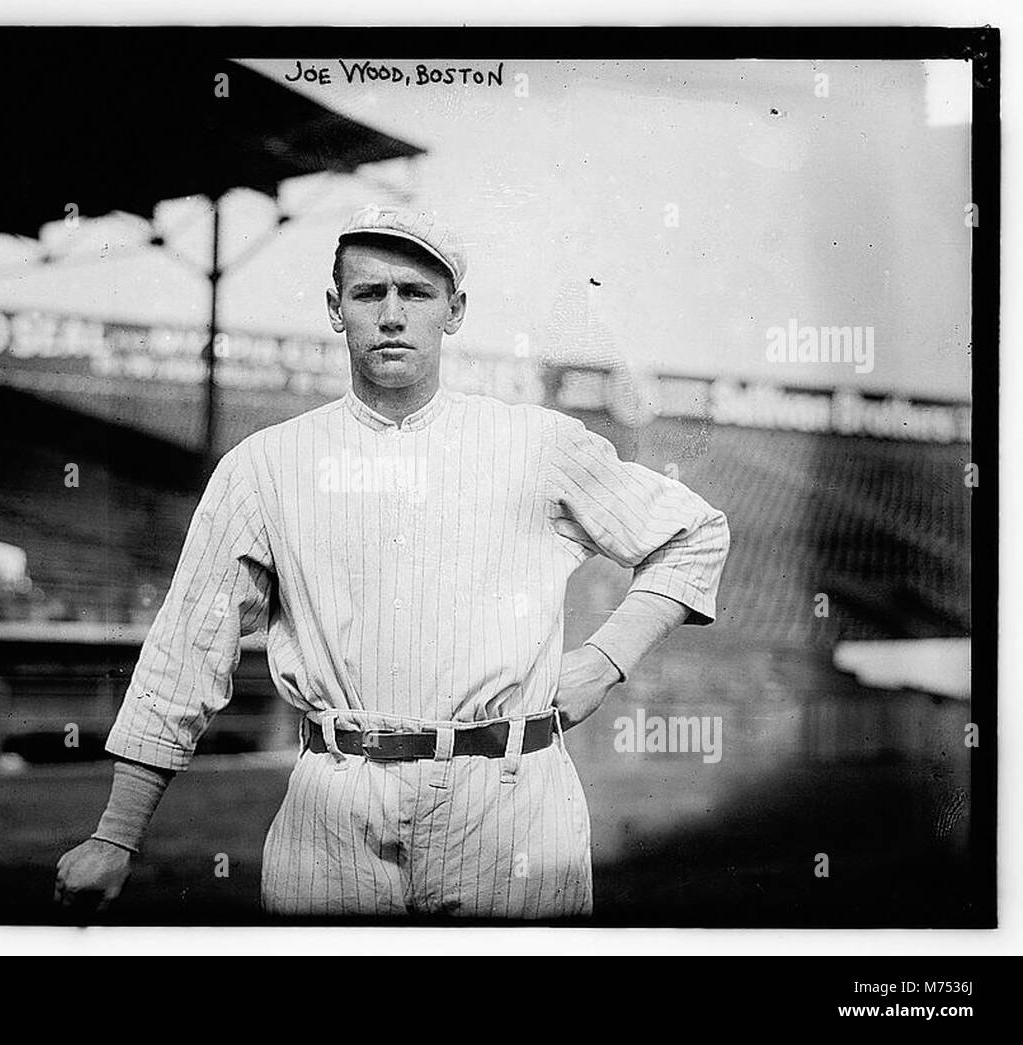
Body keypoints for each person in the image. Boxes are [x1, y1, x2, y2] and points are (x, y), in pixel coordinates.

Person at [55, 204, 730, 918]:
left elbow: (693, 530)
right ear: (335, 308)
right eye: (369, 293)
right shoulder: (266, 466)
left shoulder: (537, 443)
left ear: (455, 310)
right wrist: (116, 835)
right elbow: (185, 652)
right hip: (336, 799)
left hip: (508, 798)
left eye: (416, 293)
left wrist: (605, 660)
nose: (392, 314)